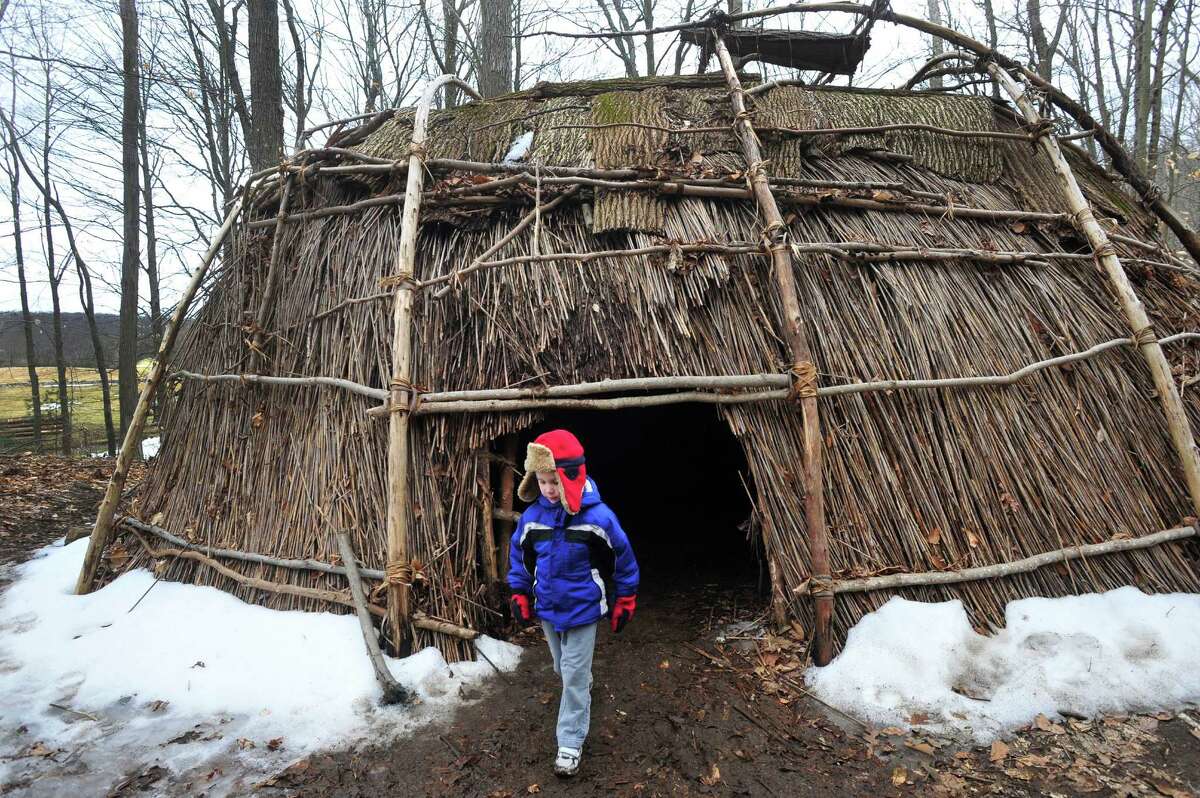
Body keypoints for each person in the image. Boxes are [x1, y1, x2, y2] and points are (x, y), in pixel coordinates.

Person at [507, 429, 639, 778]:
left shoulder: (598, 517)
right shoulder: (532, 517)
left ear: (572, 476)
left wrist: (625, 596)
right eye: (542, 481)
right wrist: (520, 590)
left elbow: (623, 557)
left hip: (583, 607)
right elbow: (519, 555)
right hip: (549, 607)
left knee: (574, 676)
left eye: (554, 481)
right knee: (561, 668)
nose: (549, 489)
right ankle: (580, 684)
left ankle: (569, 742)